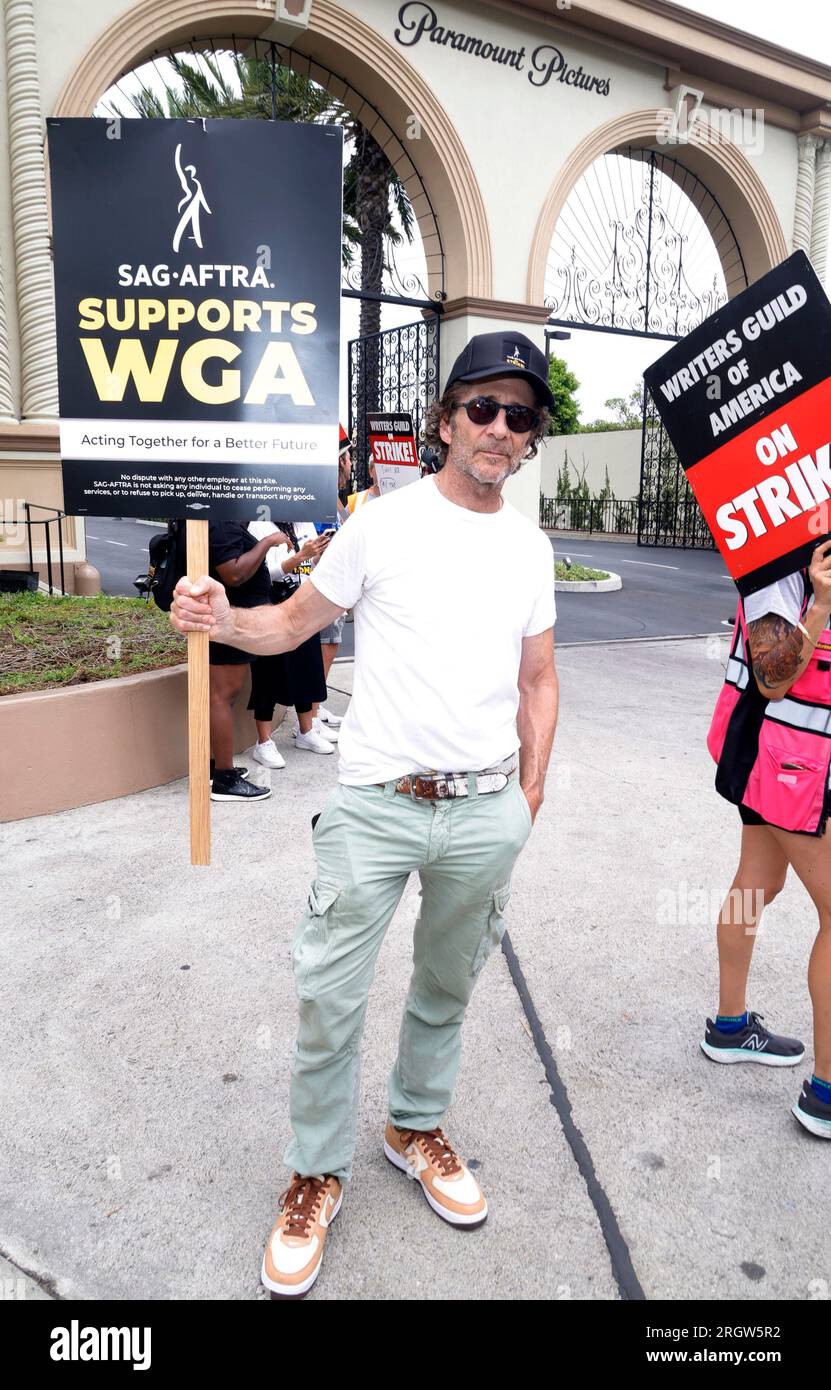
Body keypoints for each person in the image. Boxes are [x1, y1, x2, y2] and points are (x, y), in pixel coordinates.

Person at [170, 330, 559, 1298]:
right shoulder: (382, 526)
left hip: (481, 809)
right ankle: (314, 1173)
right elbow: (290, 624)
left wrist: (530, 793)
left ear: (529, 437)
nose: (499, 428)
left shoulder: (529, 545)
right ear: (446, 420)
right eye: (483, 407)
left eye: (519, 415)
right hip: (376, 806)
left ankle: (414, 1125)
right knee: (329, 999)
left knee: (445, 988)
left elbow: (539, 679)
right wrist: (219, 615)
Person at [705, 539, 831, 1139]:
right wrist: (821, 602)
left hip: (785, 755)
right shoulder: (776, 552)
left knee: (758, 882)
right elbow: (773, 677)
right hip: (788, 759)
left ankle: (729, 1026)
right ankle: (827, 1094)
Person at [246, 519, 335, 757]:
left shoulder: (303, 524)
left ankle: (306, 731)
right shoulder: (259, 526)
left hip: (303, 605)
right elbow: (265, 572)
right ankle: (263, 742)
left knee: (307, 669)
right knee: (267, 673)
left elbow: (310, 569)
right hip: (272, 604)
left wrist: (320, 554)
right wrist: (300, 556)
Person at [207, 521, 279, 803]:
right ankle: (224, 780)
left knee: (221, 697)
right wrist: (267, 542)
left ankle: (216, 766)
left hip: (231, 620)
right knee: (223, 697)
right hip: (229, 623)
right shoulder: (223, 525)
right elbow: (233, 574)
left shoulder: (223, 524)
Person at [316, 425, 354, 733]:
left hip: (335, 582)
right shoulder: (322, 497)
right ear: (340, 461)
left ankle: (316, 706)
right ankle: (311, 716)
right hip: (327, 582)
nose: (351, 463)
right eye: (348, 457)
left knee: (331, 646)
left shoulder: (334, 497)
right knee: (325, 648)